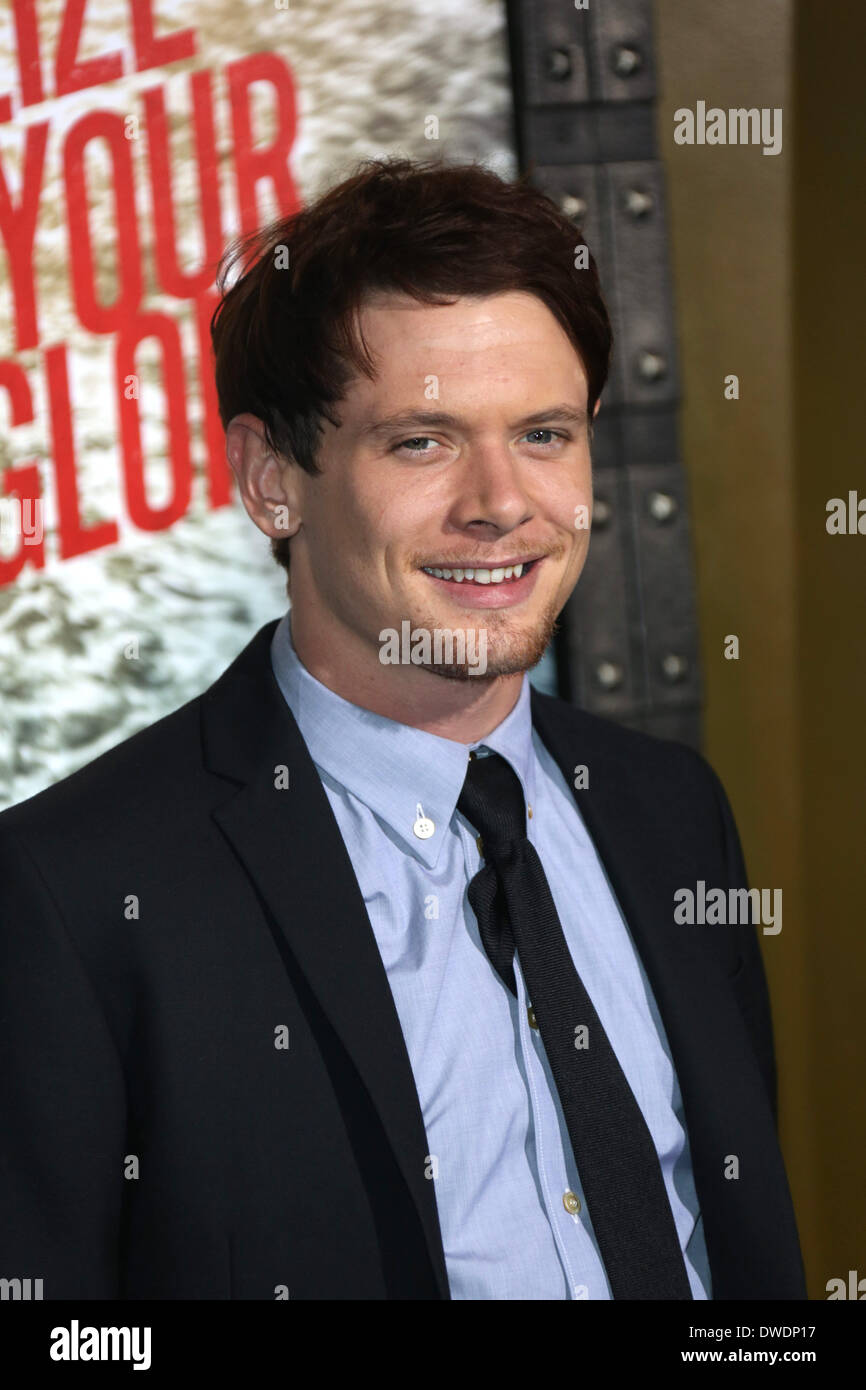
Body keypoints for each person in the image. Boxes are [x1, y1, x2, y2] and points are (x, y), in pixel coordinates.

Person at [0, 157, 805, 1300]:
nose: (500, 502)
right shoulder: (71, 890)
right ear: (271, 477)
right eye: (420, 441)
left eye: (543, 433)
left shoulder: (672, 811)